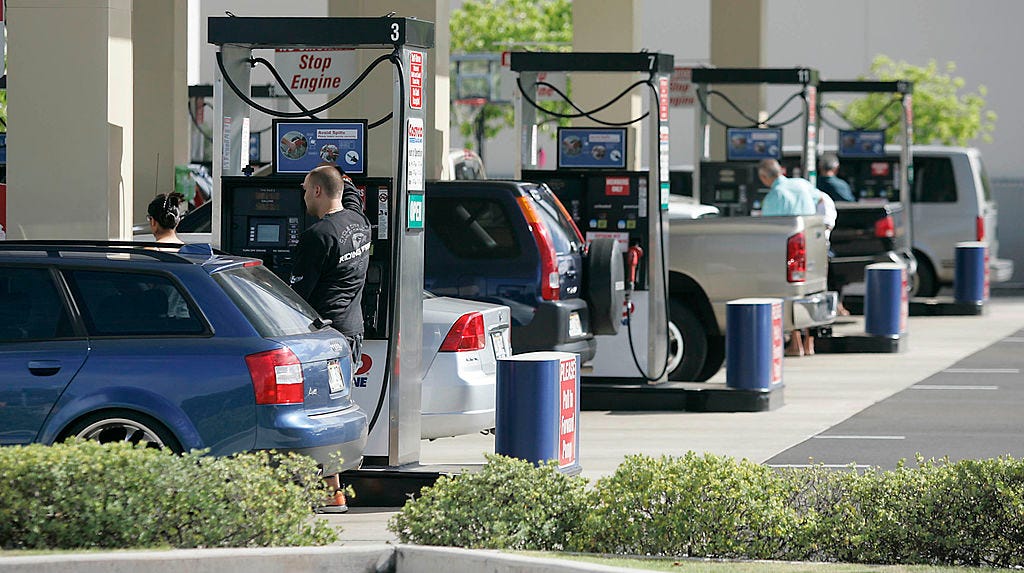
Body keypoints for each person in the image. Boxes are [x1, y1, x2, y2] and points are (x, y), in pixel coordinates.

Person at [289, 165, 371, 513]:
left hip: (323, 339)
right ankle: (331, 491)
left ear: (319, 192)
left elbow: (296, 295)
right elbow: (350, 195)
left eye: (306, 189)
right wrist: (343, 177)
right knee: (333, 410)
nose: (304, 196)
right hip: (351, 333)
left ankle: (329, 494)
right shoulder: (359, 223)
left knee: (319, 414)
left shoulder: (317, 235)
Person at [757, 159, 818, 357]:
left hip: (791, 250)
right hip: (812, 244)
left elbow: (767, 229)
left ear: (764, 177)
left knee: (790, 290)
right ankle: (810, 343)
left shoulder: (775, 196)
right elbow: (821, 199)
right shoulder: (801, 183)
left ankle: (796, 342)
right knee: (811, 291)